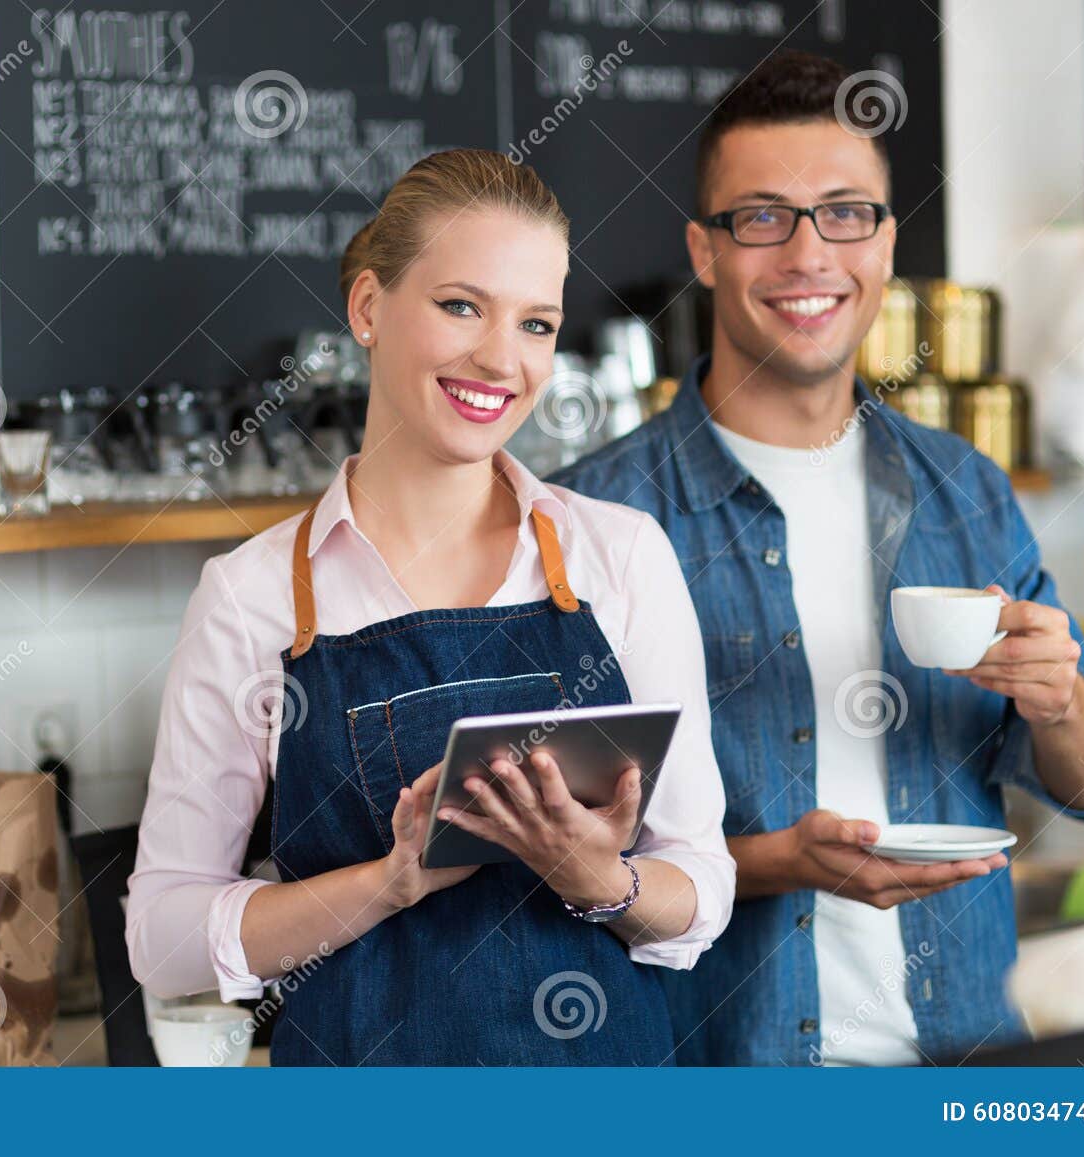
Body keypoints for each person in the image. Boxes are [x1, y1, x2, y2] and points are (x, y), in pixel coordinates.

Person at [550, 51, 1084, 1066]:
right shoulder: (591, 518)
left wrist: (1061, 703)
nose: (808, 254)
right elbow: (555, 859)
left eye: (843, 213)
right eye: (762, 217)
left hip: (967, 1066)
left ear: (884, 241)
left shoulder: (964, 489)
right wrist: (779, 862)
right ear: (705, 251)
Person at [126, 148, 735, 1066]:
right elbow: (162, 937)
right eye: (461, 306)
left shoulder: (621, 557)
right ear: (368, 308)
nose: (501, 358)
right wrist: (387, 883)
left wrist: (597, 877)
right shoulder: (252, 596)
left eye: (536, 323)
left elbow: (702, 883)